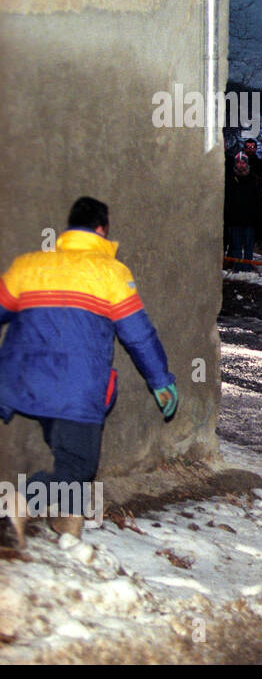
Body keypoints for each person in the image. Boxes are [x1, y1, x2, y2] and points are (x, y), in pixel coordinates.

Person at [0, 198, 178, 546]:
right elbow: (138, 335)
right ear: (102, 229)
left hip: (27, 384)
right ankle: (15, 502)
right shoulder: (111, 273)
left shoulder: (27, 265)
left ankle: (68, 523)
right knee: (79, 464)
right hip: (75, 388)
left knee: (68, 455)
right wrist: (161, 381)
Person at [224, 152, 262, 272]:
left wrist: (259, 219)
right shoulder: (230, 180)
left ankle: (247, 269)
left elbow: (259, 201)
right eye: (239, 162)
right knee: (236, 246)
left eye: (243, 162)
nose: (241, 165)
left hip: (250, 220)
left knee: (248, 246)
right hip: (235, 219)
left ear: (247, 164)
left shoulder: (255, 179)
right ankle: (237, 268)